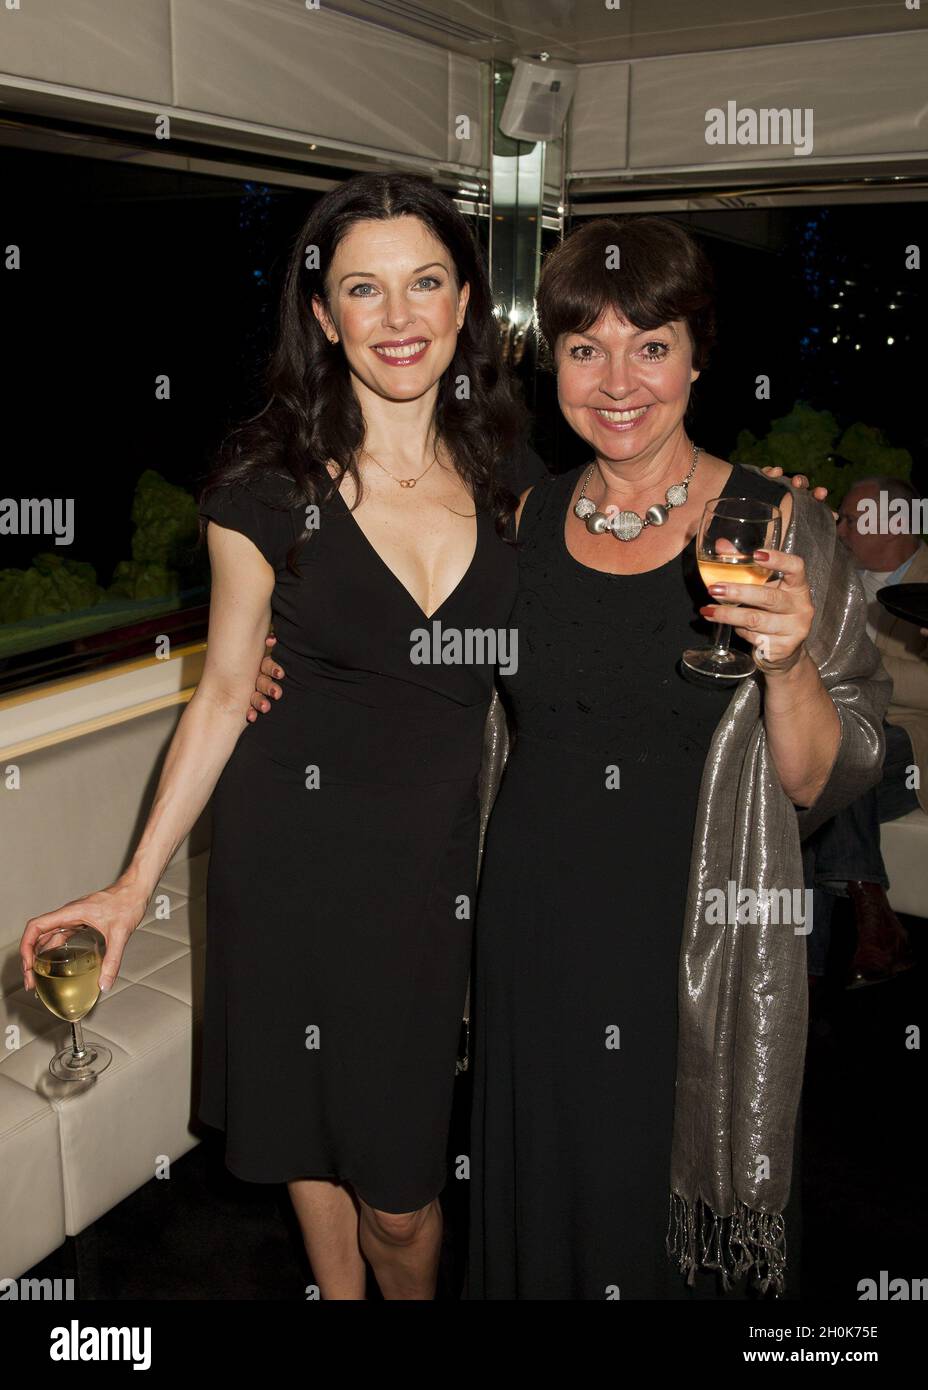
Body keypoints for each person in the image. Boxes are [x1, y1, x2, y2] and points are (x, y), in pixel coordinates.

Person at [251, 217, 890, 1299]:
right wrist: (276, 655)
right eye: (585, 349)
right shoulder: (520, 516)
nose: (619, 381)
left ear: (697, 352)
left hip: (689, 932)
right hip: (528, 927)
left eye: (651, 345)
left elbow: (821, 779)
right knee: (538, 1188)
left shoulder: (770, 521)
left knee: (655, 1205)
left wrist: (786, 664)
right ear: (553, 367)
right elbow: (419, 658)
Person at [19, 173, 545, 1302]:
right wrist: (127, 890)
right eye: (364, 289)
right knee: (309, 1144)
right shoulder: (262, 493)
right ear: (323, 316)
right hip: (289, 864)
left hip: (433, 879)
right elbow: (219, 695)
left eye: (424, 285)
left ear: (464, 308)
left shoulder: (516, 487)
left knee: (402, 1199)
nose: (397, 318)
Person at [802, 476, 927, 985]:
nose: (841, 527)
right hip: (844, 736)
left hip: (911, 741)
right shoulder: (832, 578)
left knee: (844, 753)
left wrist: (857, 671)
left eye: (853, 518)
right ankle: (865, 920)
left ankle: (810, 968)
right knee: (812, 798)